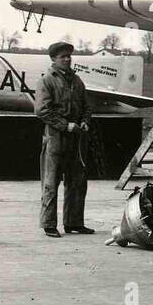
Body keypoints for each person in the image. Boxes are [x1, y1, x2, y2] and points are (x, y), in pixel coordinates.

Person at [36, 41, 94, 236]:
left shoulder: (77, 81)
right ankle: (49, 224)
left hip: (75, 140)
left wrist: (85, 121)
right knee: (51, 183)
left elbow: (87, 106)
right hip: (55, 138)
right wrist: (64, 125)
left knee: (77, 181)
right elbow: (42, 110)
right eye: (63, 56)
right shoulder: (47, 80)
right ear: (54, 59)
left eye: (69, 56)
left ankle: (74, 223)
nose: (67, 59)